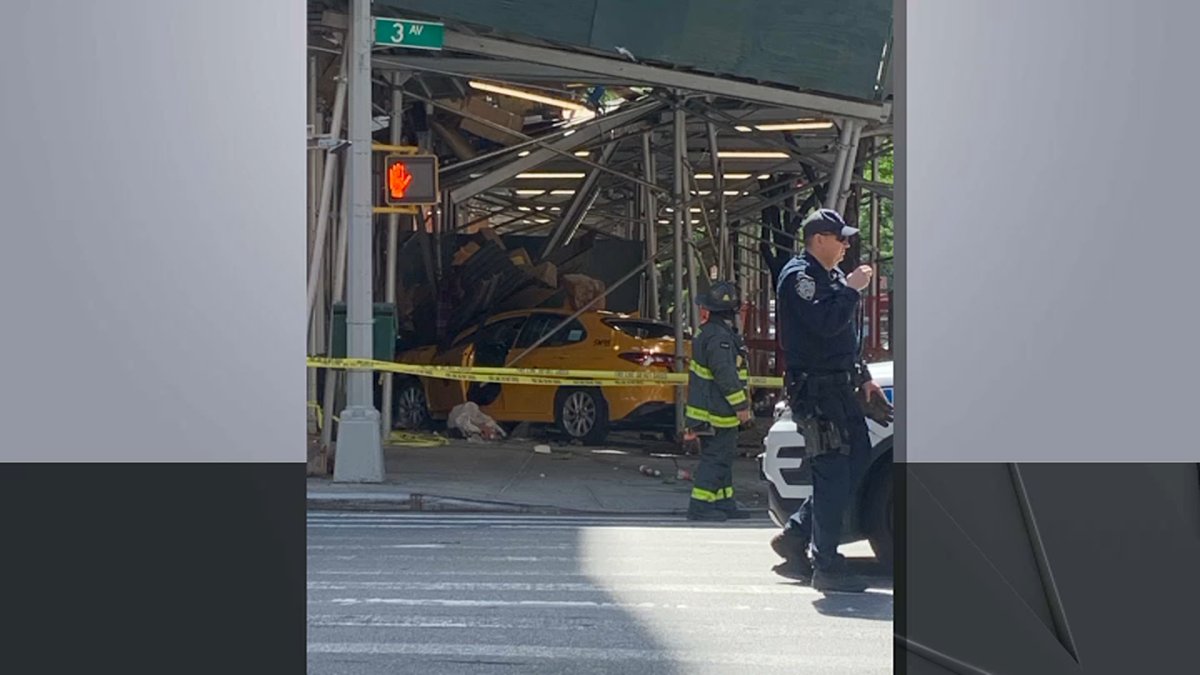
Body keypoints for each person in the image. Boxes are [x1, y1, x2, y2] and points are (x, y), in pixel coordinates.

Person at [770, 208, 886, 593]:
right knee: (834, 470)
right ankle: (827, 563)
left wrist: (865, 378)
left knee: (853, 465)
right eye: (841, 238)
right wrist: (851, 290)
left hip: (840, 388)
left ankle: (797, 532)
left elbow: (843, 339)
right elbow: (823, 325)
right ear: (819, 239)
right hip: (817, 392)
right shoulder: (800, 278)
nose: (846, 245)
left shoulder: (831, 277)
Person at [684, 281, 753, 522]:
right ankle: (700, 506)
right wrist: (742, 407)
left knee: (722, 458)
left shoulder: (712, 333)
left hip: (712, 411)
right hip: (716, 412)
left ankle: (724, 502)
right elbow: (725, 375)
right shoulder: (719, 338)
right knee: (716, 459)